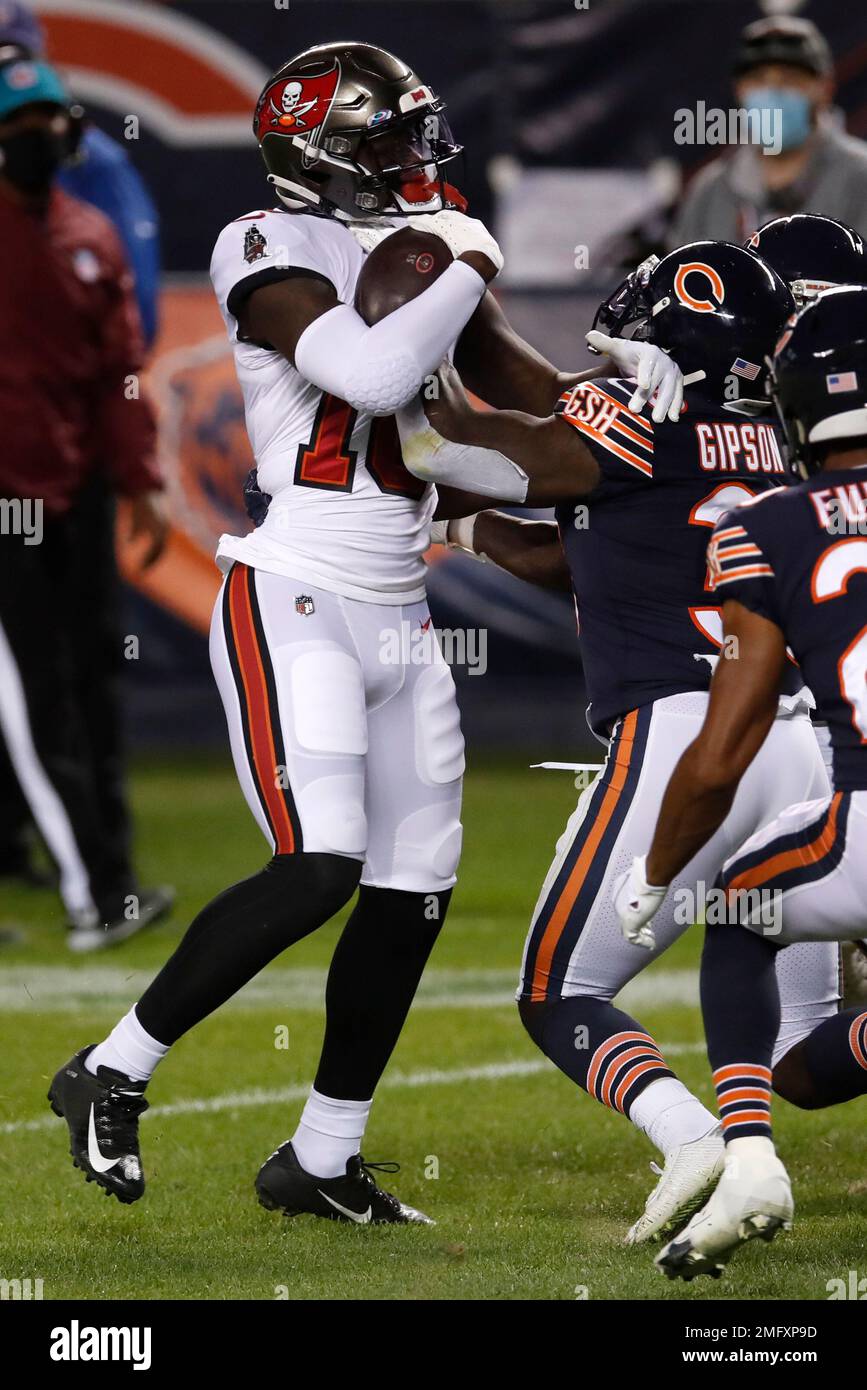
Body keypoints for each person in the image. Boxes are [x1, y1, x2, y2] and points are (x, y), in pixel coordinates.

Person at [47, 41, 684, 1223]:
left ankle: (323, 1156)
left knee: (415, 884)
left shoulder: (426, 255)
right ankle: (111, 1068)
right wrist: (472, 246)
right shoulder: (264, 242)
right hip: (295, 587)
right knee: (320, 862)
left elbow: (524, 386)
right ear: (327, 156)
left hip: (398, 600)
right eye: (391, 139)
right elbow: (379, 374)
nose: (417, 158)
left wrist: (623, 379)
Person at [421, 241, 852, 1245]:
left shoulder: (632, 422)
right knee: (793, 1036)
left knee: (556, 991)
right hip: (801, 736)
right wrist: (461, 532)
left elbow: (455, 448)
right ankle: (755, 1152)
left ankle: (693, 1136)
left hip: (685, 731)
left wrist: (412, 359)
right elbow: (599, 549)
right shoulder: (785, 434)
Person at [616, 285, 867, 1280]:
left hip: (864, 824)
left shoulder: (771, 525)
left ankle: (750, 1158)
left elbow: (723, 751)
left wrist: (655, 871)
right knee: (808, 1073)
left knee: (739, 903)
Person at [0, 52, 172, 949]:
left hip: (76, 492)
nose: (31, 141)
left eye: (42, 125)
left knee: (87, 683)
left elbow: (120, 380)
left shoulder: (92, 237)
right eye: (13, 128)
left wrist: (140, 482)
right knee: (31, 702)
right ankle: (92, 896)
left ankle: (111, 873)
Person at [671, 16, 867, 245]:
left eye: (790, 78)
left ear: (825, 89)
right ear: (739, 90)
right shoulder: (709, 193)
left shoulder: (859, 179)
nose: (773, 91)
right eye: (758, 79)